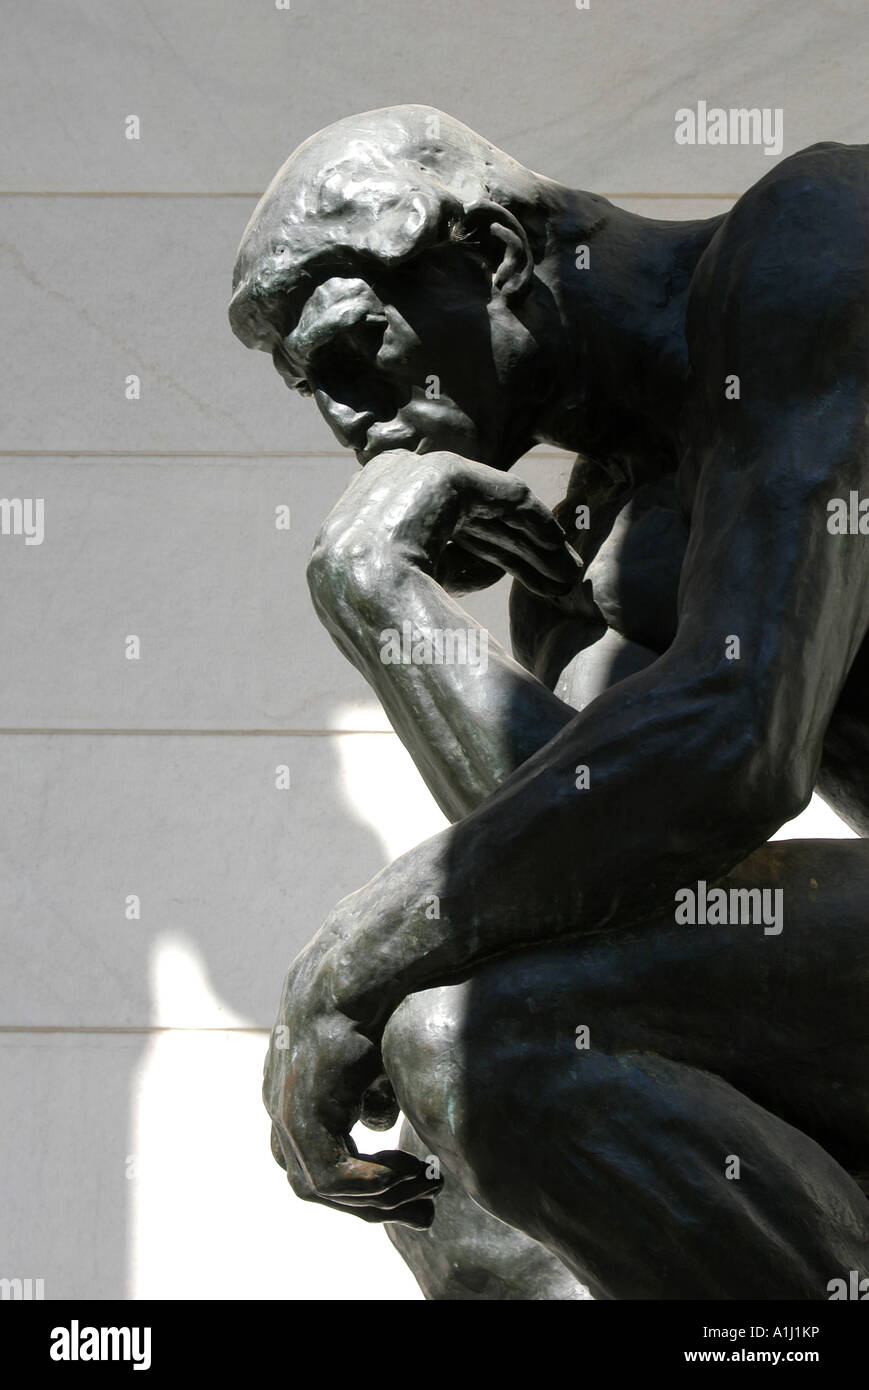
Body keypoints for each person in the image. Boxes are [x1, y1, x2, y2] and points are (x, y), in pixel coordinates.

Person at [230, 107, 869, 1298]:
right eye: (311, 391)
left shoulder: (815, 245)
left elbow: (738, 736)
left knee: (477, 1045)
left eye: (353, 352)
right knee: (453, 1162)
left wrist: (338, 973)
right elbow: (593, 882)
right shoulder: (581, 552)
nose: (347, 423)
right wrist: (374, 597)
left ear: (491, 253)